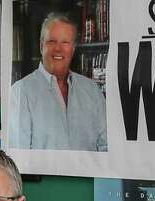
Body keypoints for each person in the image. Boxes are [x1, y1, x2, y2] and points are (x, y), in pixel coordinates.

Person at [7, 13, 107, 152]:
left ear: (73, 48)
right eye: (52, 41)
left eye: (65, 42)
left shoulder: (92, 90)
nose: (58, 48)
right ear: (42, 46)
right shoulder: (21, 92)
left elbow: (105, 147)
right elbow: (19, 157)